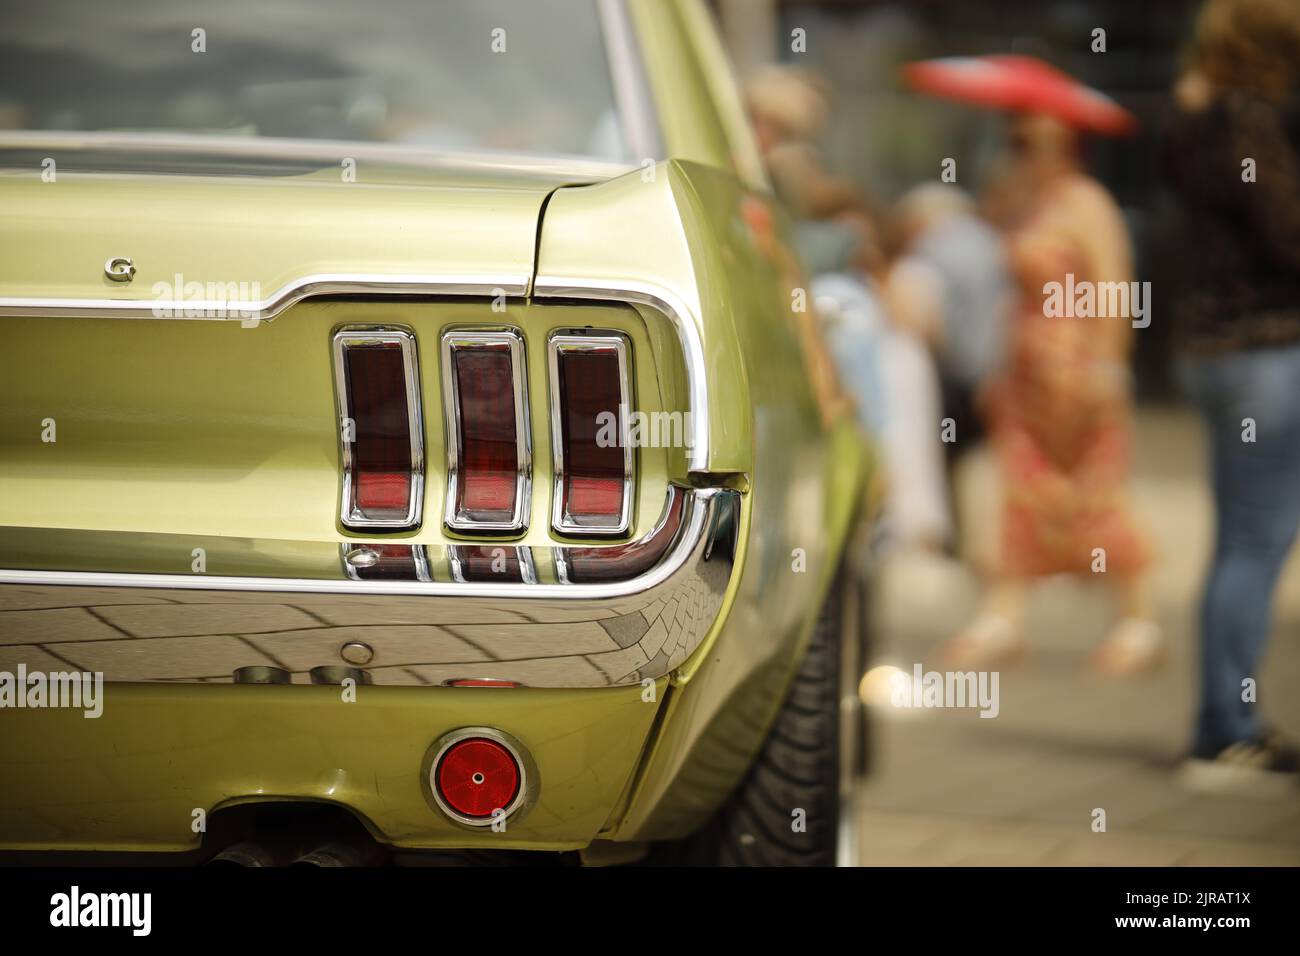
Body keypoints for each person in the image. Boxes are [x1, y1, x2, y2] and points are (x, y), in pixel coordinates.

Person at [1164, 0, 1300, 791]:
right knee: (1253, 546)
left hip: (1214, 351)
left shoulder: (1196, 118)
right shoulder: (1250, 119)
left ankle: (1225, 722)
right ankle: (1225, 732)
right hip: (1266, 351)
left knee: (1236, 544)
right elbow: (1287, 231)